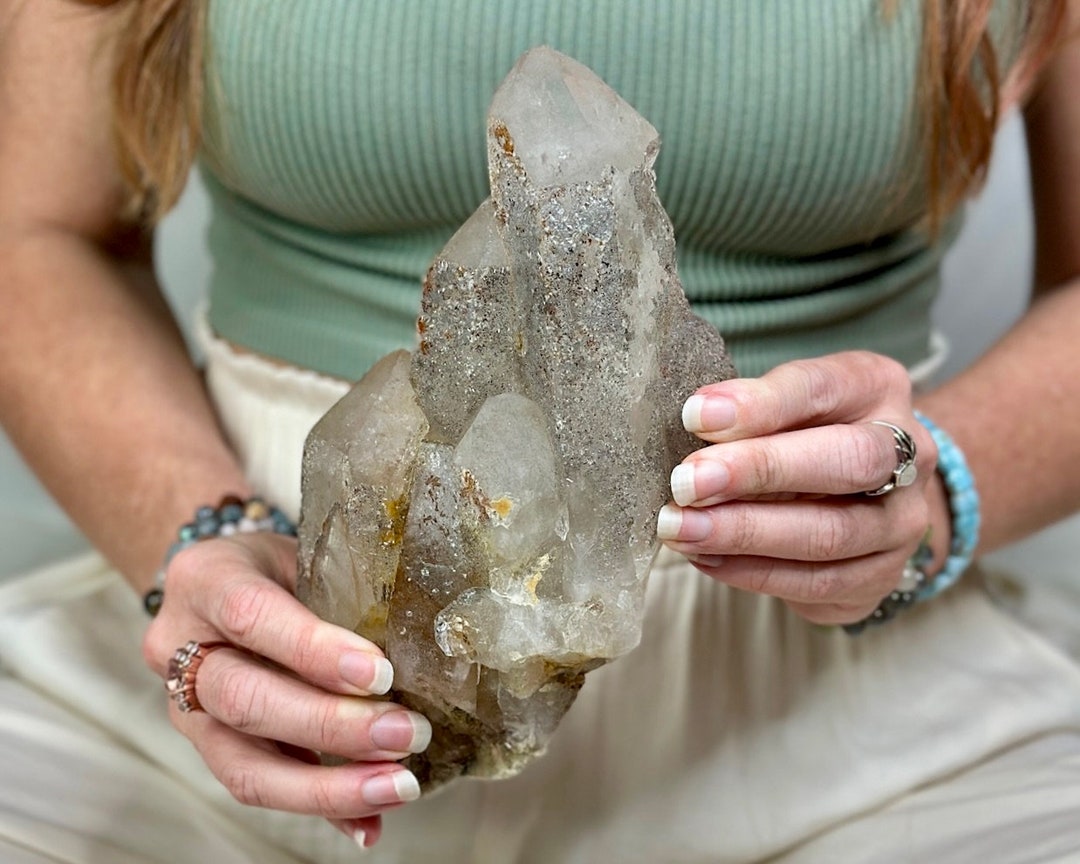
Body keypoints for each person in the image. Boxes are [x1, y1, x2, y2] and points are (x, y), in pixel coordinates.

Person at [1, 0, 1079, 861]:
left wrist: (936, 482)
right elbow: (35, 234)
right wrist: (195, 537)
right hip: (259, 653)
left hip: (857, 718)